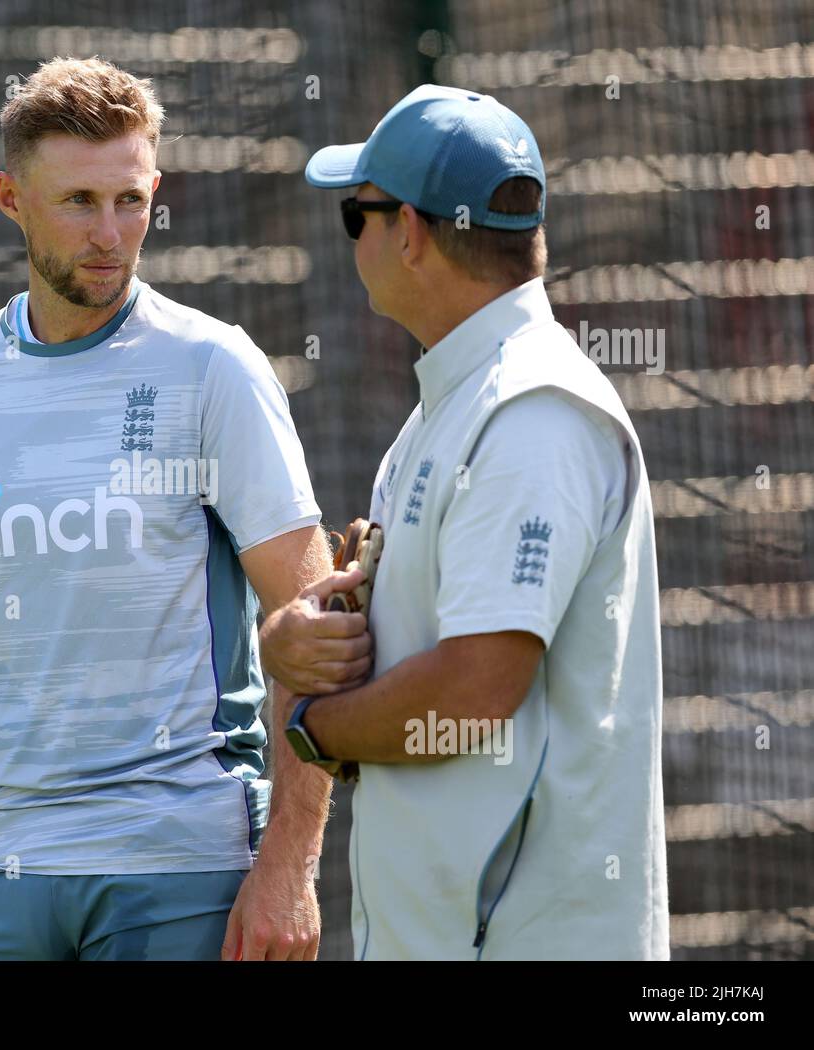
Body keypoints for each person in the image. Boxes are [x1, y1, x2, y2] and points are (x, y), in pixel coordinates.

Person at [0, 56, 371, 962]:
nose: (110, 233)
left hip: (183, 864)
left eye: (131, 200)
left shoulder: (214, 367)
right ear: (11, 198)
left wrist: (289, 866)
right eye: (78, 201)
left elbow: (308, 619)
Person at [272, 84, 669, 959]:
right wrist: (303, 642)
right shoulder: (458, 404)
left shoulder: (530, 413)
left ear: (408, 231)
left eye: (357, 216)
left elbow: (474, 692)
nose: (357, 241)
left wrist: (309, 726)